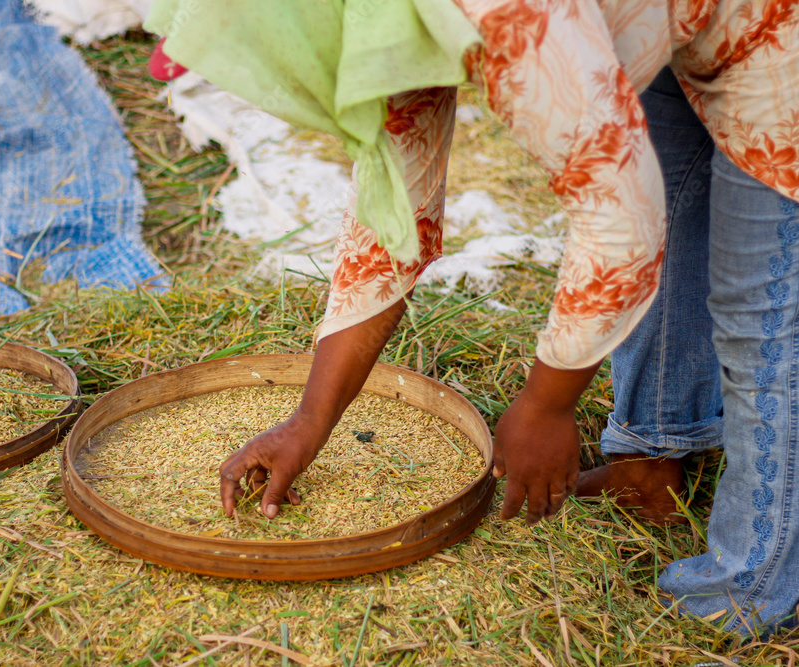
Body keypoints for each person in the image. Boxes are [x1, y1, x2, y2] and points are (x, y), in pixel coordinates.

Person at [212, 0, 799, 635]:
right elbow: (390, 226)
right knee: (678, 206)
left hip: (774, 33)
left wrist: (546, 406)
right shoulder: (383, 27)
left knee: (759, 315)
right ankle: (653, 467)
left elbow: (622, 225)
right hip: (663, 19)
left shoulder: (514, 19)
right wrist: (309, 421)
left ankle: (747, 590)